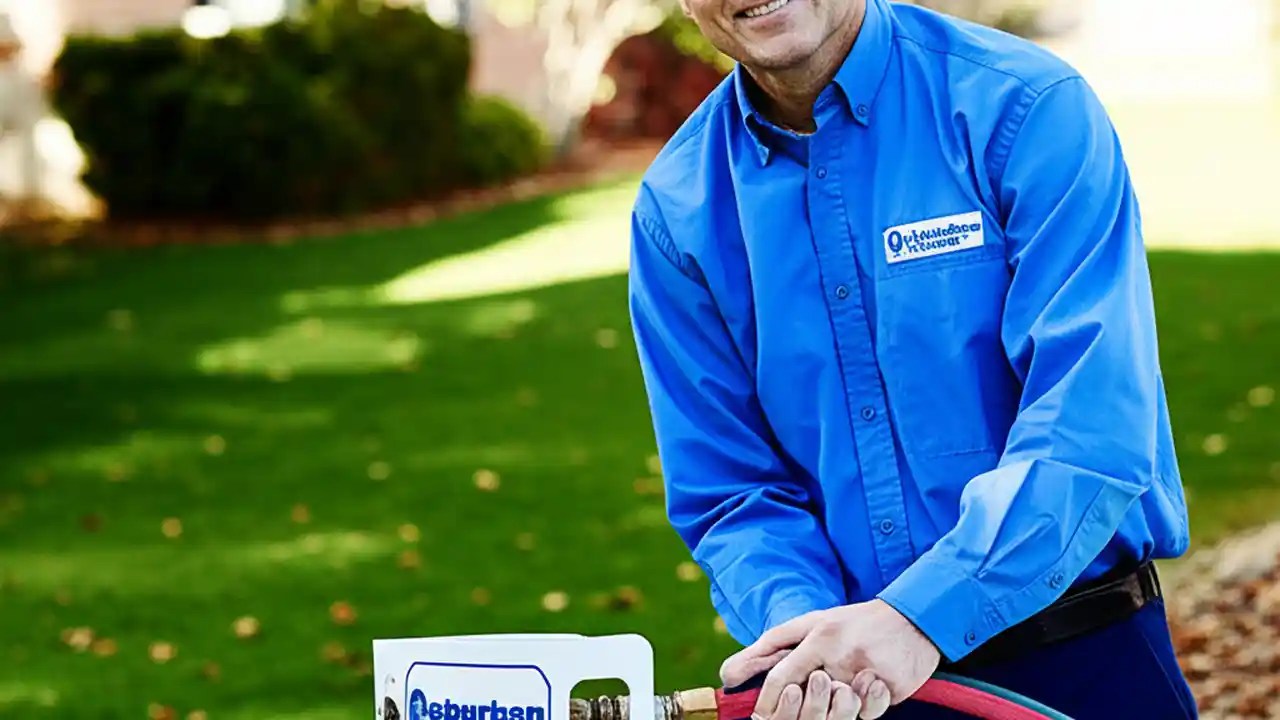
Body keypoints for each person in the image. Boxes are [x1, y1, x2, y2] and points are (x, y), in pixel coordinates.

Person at [625, 1, 1198, 718]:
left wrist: (920, 616)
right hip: (857, 694)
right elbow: (733, 491)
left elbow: (1090, 425)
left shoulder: (1024, 108)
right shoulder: (675, 211)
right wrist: (808, 636)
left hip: (1084, 664)